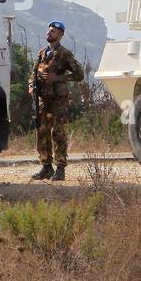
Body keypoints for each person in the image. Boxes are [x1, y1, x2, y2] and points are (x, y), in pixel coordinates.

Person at [28, 20, 85, 181]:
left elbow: (79, 74)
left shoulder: (64, 54)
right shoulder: (42, 53)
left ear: (60, 35)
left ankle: (60, 168)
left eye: (53, 31)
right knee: (42, 132)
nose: (49, 33)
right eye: (49, 30)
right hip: (42, 100)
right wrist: (32, 85)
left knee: (58, 133)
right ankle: (46, 166)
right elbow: (33, 72)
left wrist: (59, 77)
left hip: (58, 100)